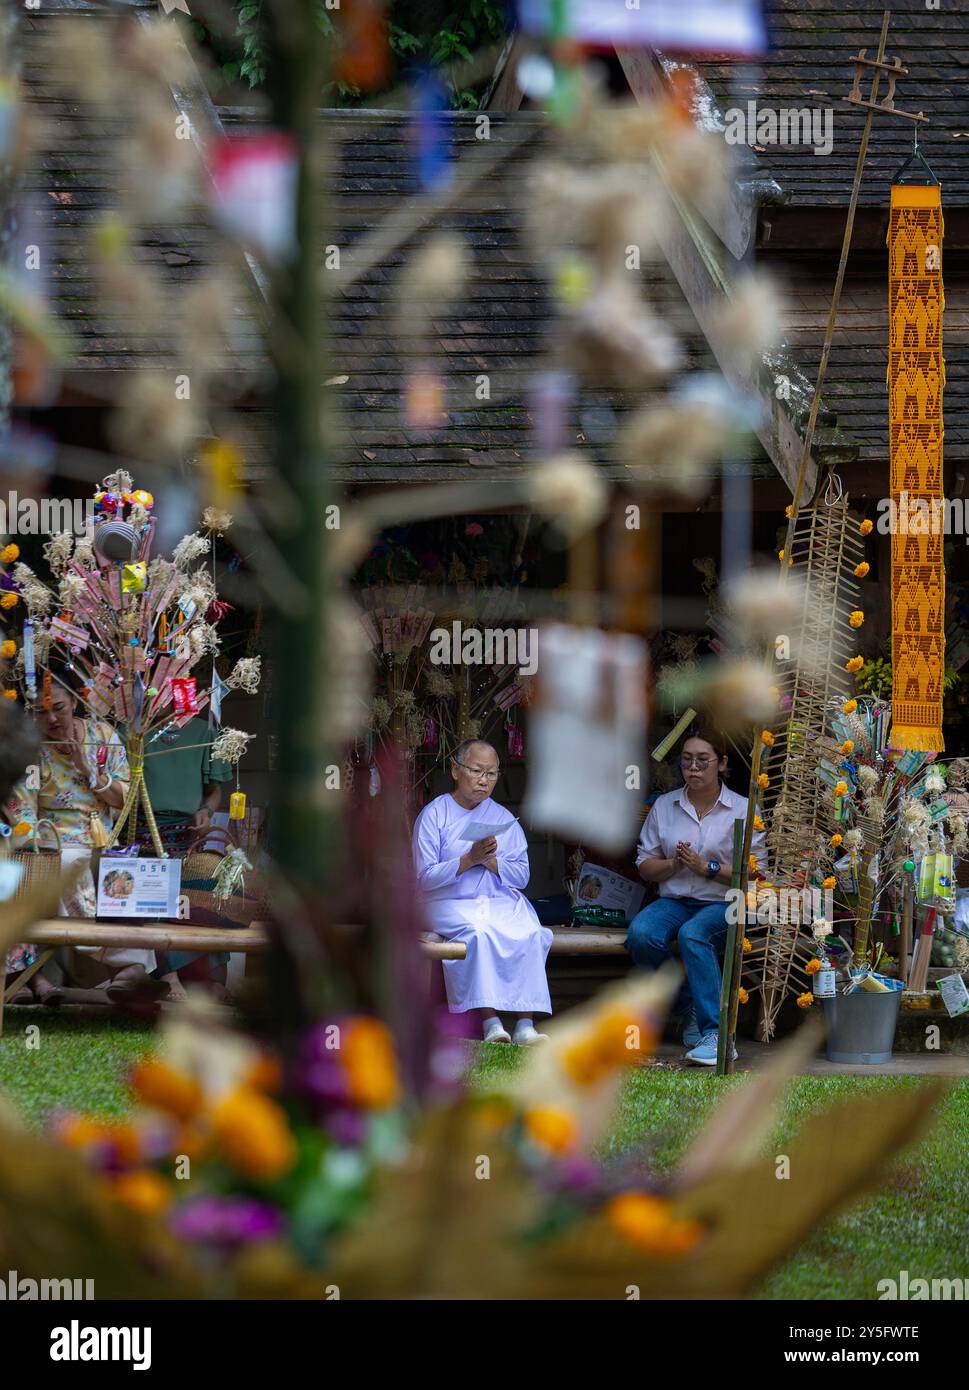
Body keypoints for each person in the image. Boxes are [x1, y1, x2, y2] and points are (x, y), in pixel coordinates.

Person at [6, 680, 162, 1003]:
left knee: (128, 871)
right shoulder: (31, 749)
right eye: (40, 712)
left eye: (58, 708)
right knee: (60, 865)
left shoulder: (103, 736)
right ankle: (123, 962)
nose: (50, 719)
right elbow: (23, 813)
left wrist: (88, 770)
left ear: (74, 703)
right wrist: (36, 851)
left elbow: (125, 799)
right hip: (56, 845)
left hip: (106, 843)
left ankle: (132, 965)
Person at [625, 728, 765, 1066]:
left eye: (703, 760)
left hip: (723, 901)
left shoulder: (744, 809)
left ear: (722, 764)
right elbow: (645, 864)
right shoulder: (664, 805)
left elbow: (756, 874)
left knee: (694, 934)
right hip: (675, 899)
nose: (694, 768)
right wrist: (674, 863)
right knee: (641, 934)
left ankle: (717, 1035)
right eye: (687, 760)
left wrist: (707, 867)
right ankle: (685, 1002)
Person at [412, 737, 552, 1045]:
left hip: (499, 898)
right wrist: (467, 860)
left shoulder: (502, 818)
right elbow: (423, 879)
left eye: (491, 774)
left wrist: (491, 861)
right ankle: (491, 1022)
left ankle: (526, 1024)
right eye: (476, 771)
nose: (483, 781)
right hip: (448, 900)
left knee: (530, 931)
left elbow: (521, 876)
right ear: (455, 770)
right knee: (479, 932)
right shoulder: (435, 815)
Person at [143, 713, 234, 1000]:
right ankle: (169, 980)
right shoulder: (134, 730)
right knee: (153, 900)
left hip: (189, 834)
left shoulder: (204, 732)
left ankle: (212, 980)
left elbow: (214, 791)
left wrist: (206, 812)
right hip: (143, 831)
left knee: (206, 893)